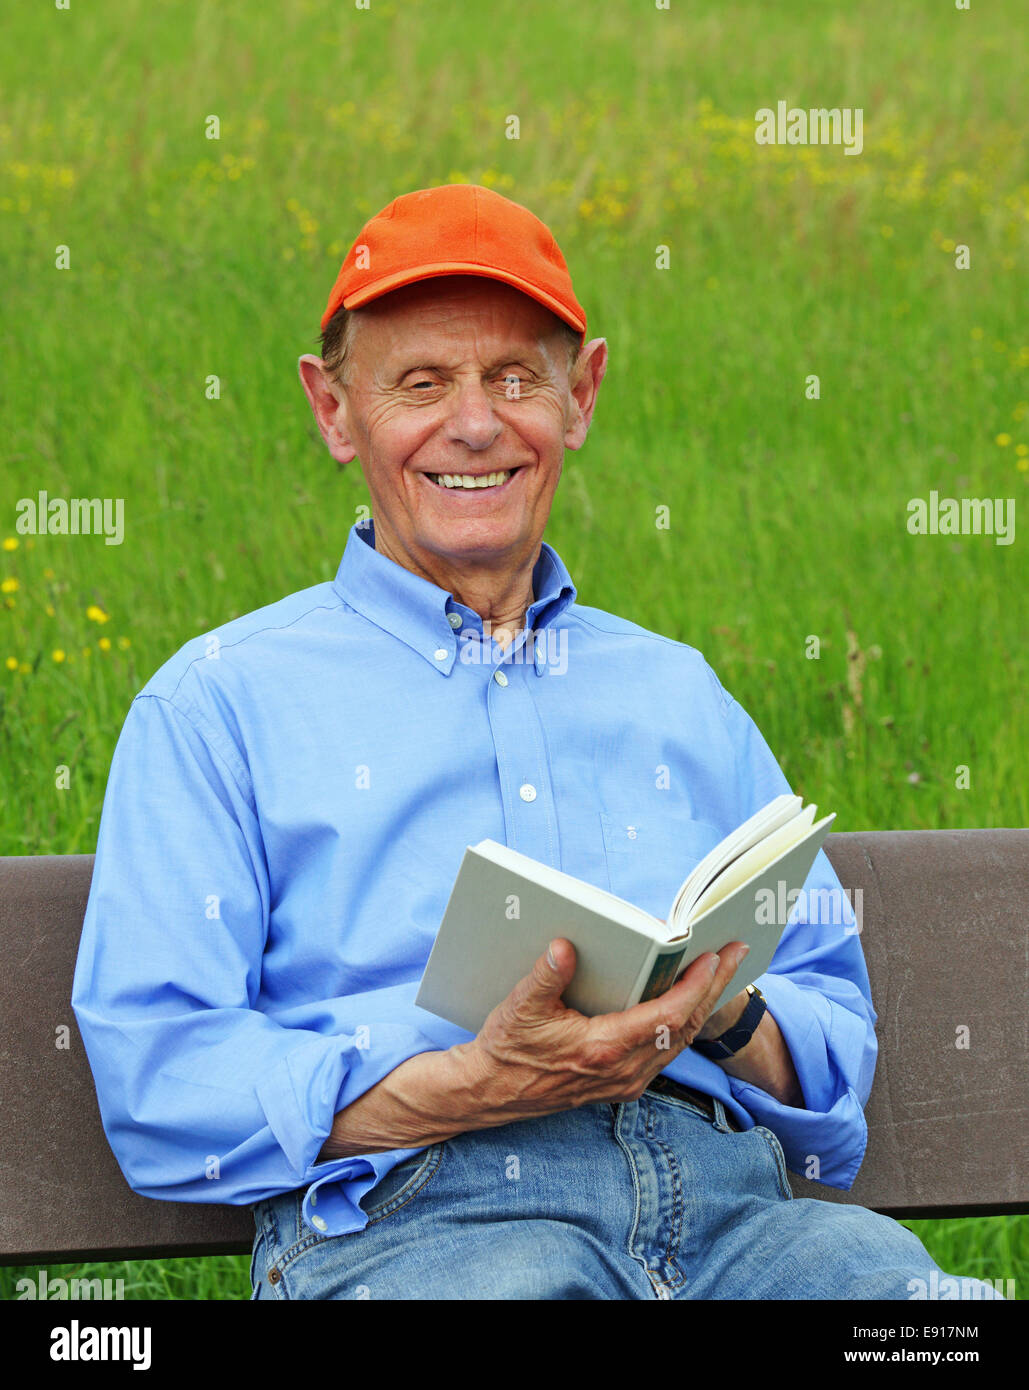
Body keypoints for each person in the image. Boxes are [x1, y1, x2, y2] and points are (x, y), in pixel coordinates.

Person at [72, 184, 1002, 1301]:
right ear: (333, 409)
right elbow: (161, 1076)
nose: (476, 424)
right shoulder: (217, 705)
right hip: (425, 1227)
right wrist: (471, 1081)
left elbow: (834, 1039)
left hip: (739, 1219)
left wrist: (721, 1007)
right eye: (422, 383)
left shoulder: (680, 691)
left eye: (516, 377)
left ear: (582, 394)